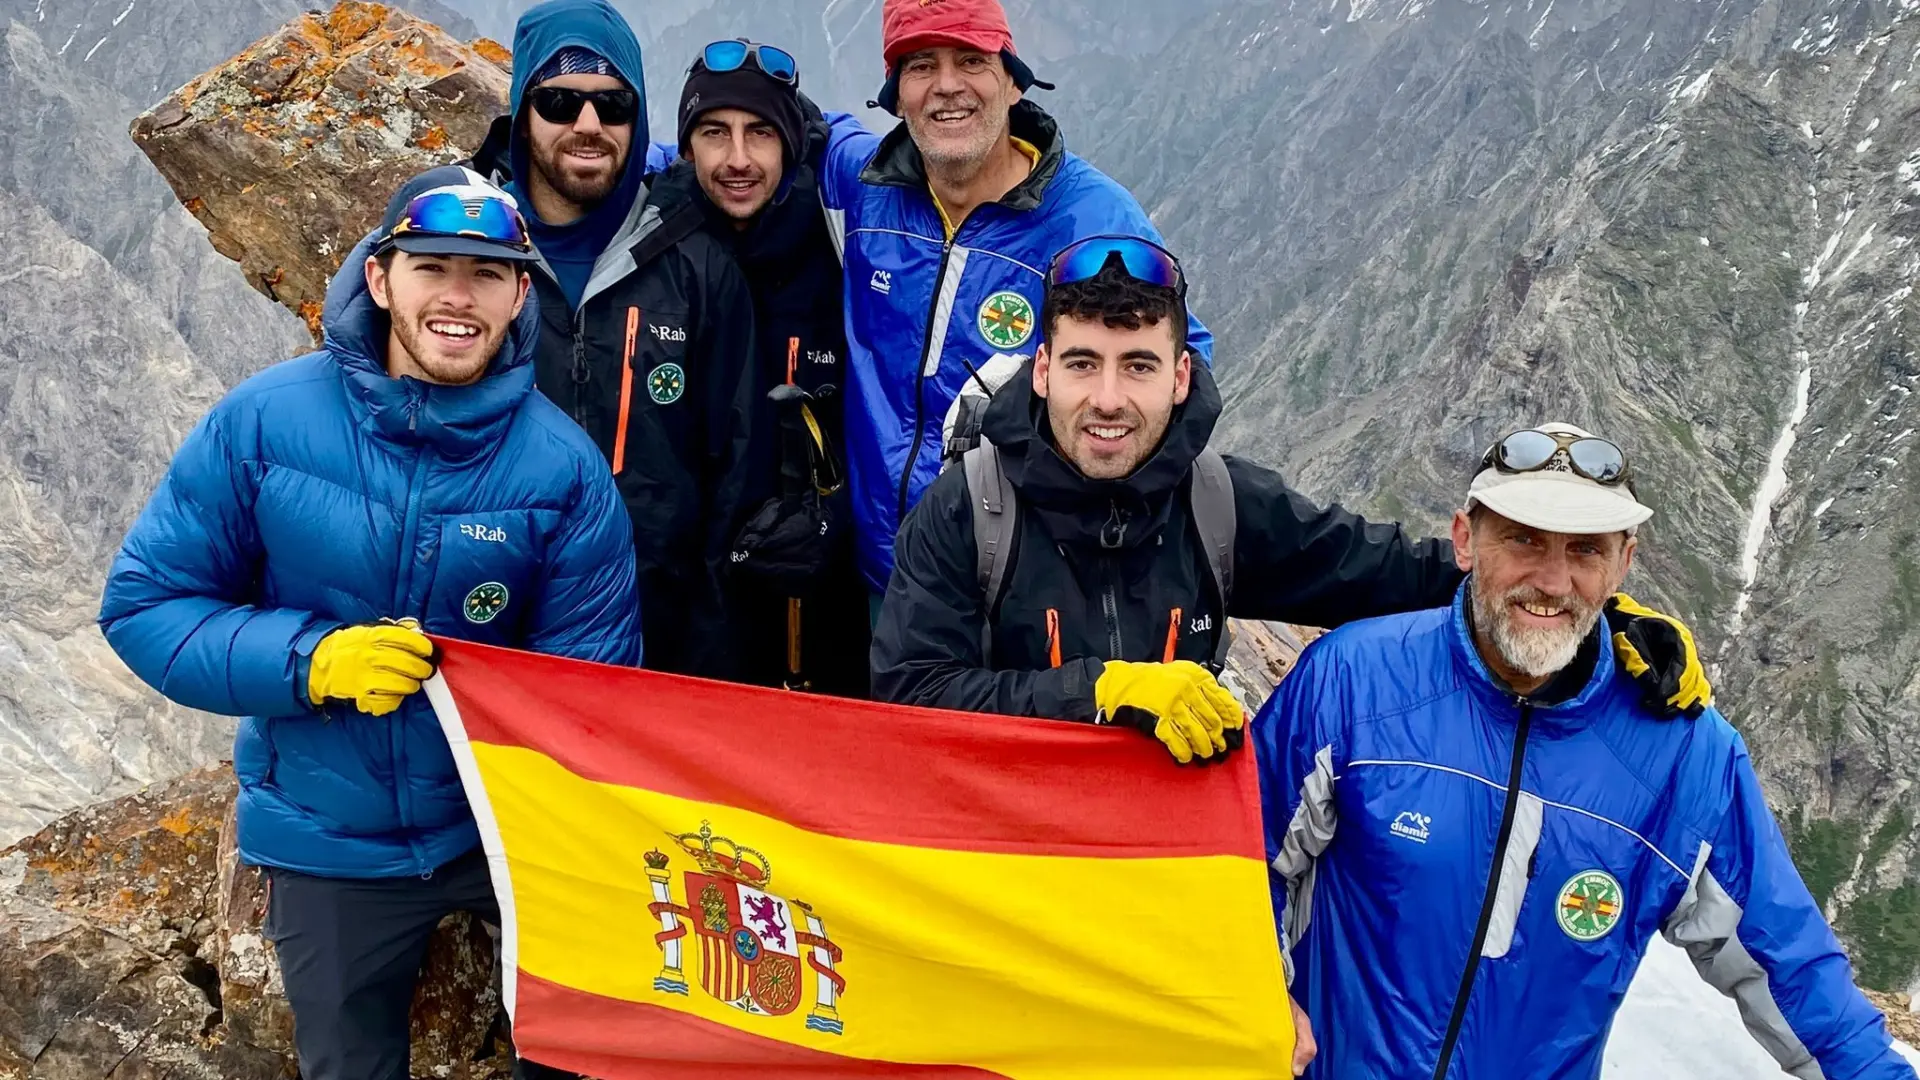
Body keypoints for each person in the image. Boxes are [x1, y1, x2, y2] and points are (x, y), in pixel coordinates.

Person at [96, 166, 638, 1080]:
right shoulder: (264, 423)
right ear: (381, 279)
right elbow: (146, 605)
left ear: (519, 297)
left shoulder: (564, 470)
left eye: (488, 274)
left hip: (506, 836)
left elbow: (592, 695)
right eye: (432, 268)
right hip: (328, 831)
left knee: (583, 1053)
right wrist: (311, 662)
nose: (458, 297)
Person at [1252, 423, 1916, 1080]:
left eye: (1586, 550)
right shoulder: (1353, 679)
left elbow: (1788, 961)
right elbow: (1246, 858)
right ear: (1465, 540)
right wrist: (1258, 991)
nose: (1552, 580)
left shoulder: (1684, 753)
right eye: (1523, 538)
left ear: (1623, 564)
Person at [814, 0, 1217, 618]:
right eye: (921, 65)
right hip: (884, 577)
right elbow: (787, 127)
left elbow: (1182, 367)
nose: (947, 85)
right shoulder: (866, 189)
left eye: (971, 60)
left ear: (1012, 80)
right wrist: (661, 169)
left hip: (1023, 592)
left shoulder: (1092, 222)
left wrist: (1044, 418)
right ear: (895, 95)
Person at [469, 0, 762, 681]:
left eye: (613, 104)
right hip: (494, 639)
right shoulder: (469, 255)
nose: (588, 125)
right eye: (559, 102)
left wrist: (712, 657)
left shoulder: (696, 265)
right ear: (521, 113)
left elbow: (736, 477)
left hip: (659, 644)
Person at [653, 38, 869, 695]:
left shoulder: (842, 242)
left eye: (761, 133)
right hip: (686, 591)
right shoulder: (655, 242)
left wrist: (833, 515)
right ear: (687, 148)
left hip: (818, 596)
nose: (738, 159)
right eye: (714, 133)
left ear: (792, 143)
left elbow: (890, 407)